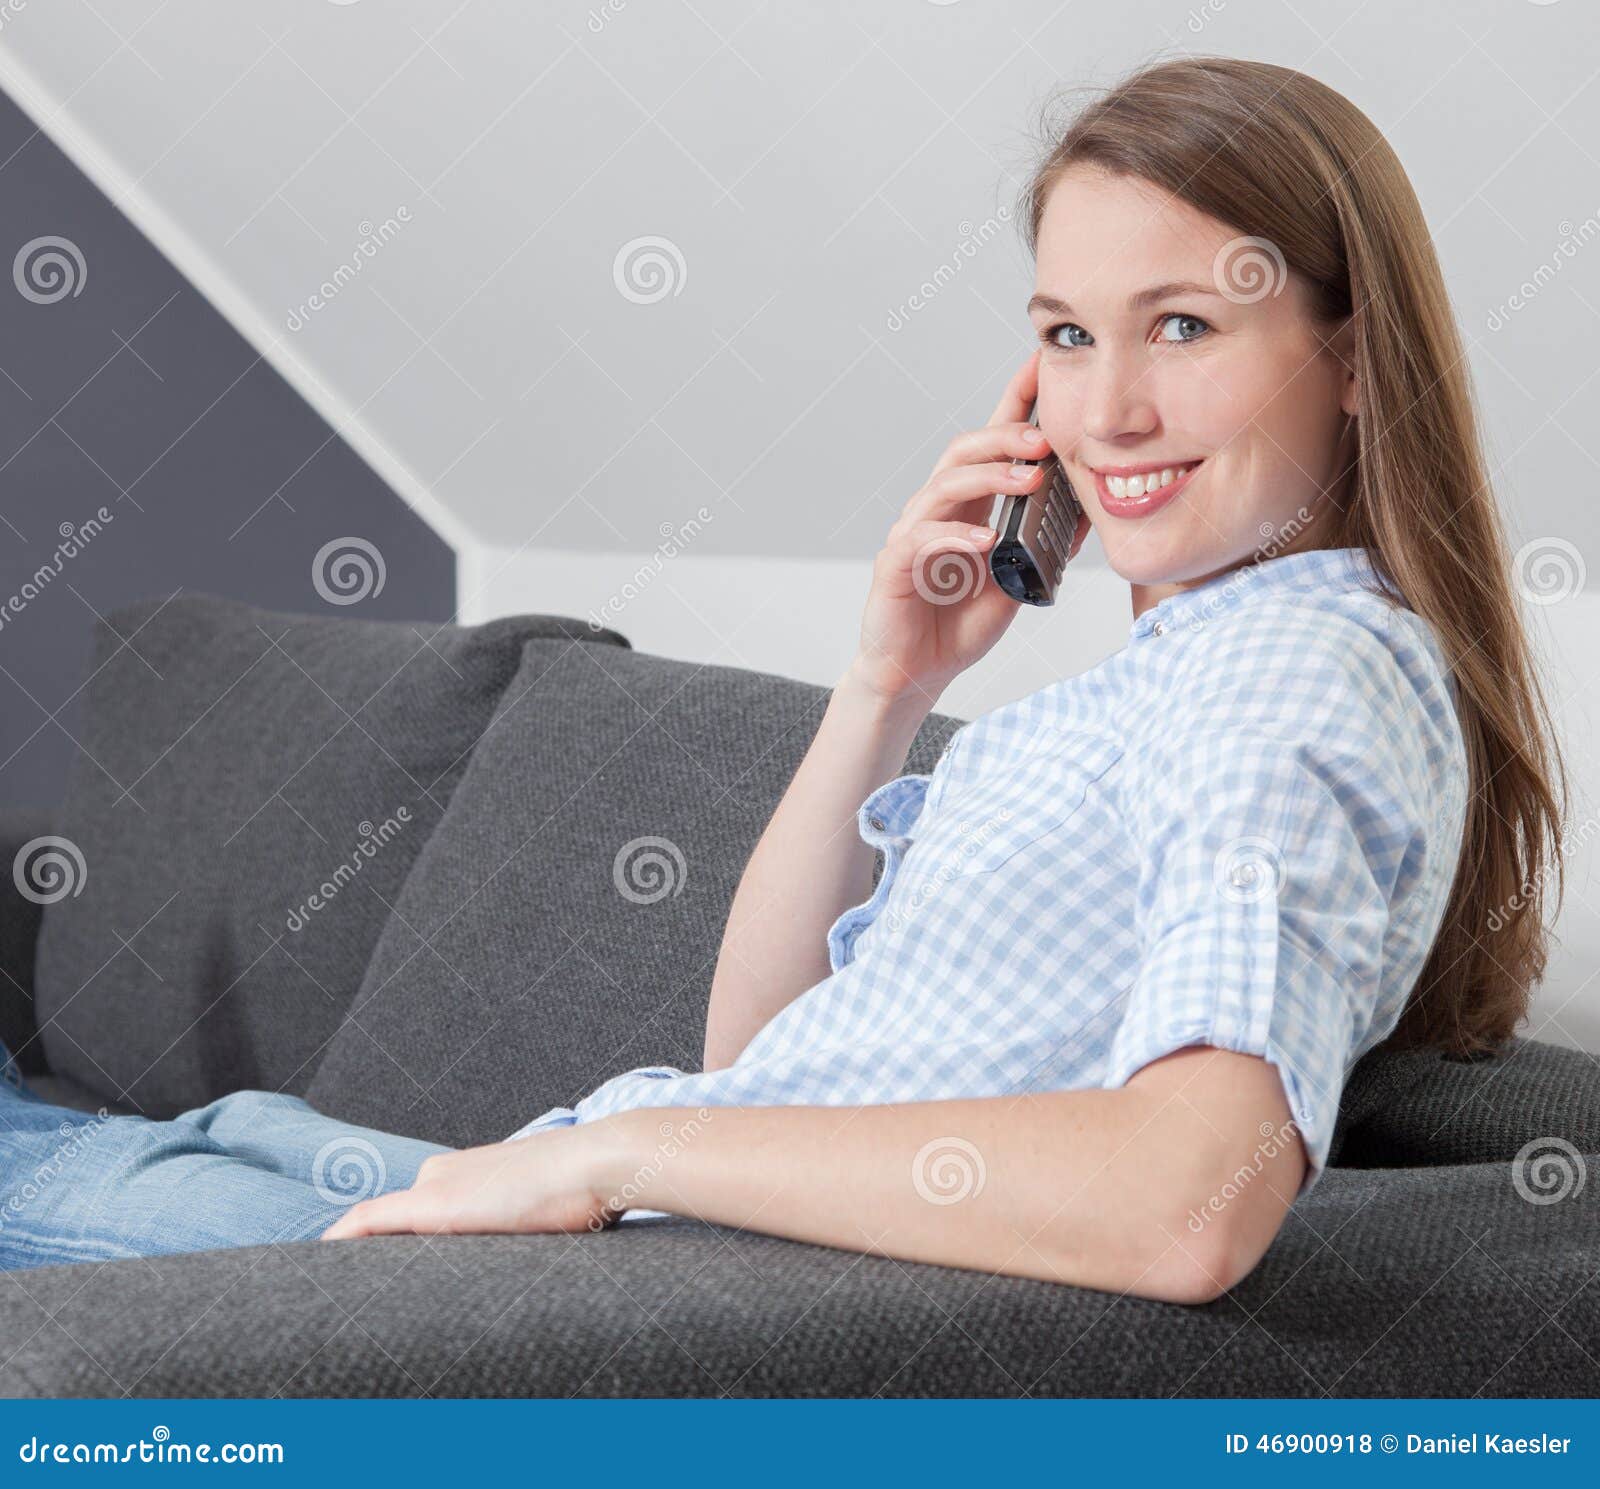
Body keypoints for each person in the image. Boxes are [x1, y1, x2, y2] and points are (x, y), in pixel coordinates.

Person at [0, 55, 1568, 1303]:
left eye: (1185, 324)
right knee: (147, 1134)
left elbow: (1183, 1202)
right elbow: (763, 1056)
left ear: (1356, 359)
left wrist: (617, 1156)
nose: (1114, 407)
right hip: (597, 1222)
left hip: (616, 1286)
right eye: (1070, 335)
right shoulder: (1193, 668)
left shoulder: (1295, 674)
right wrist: (884, 686)